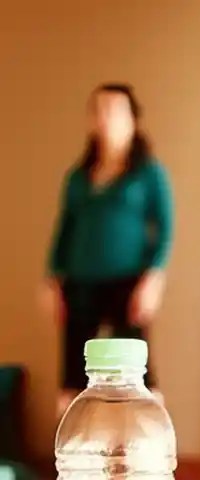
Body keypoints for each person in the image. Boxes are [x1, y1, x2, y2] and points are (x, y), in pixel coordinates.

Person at [44, 83, 173, 415]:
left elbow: (165, 227)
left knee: (140, 375)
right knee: (73, 374)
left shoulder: (148, 173)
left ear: (132, 119)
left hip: (127, 283)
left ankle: (149, 453)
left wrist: (153, 279)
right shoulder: (78, 177)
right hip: (80, 282)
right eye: (98, 110)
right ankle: (72, 455)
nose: (105, 118)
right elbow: (64, 230)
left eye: (114, 110)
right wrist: (52, 280)